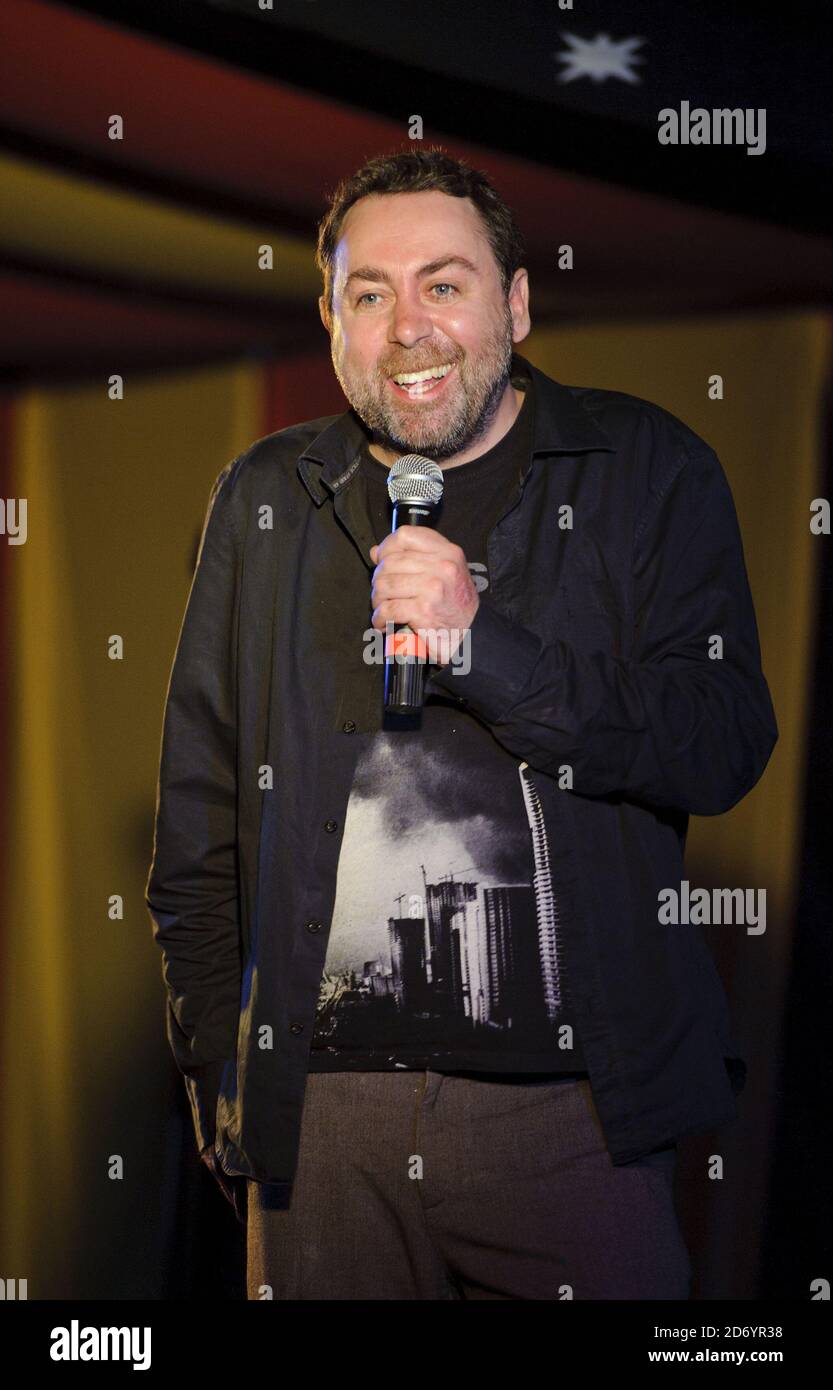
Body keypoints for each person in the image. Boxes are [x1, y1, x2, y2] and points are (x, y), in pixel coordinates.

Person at [146, 147, 778, 1300]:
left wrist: (481, 645)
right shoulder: (264, 498)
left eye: (443, 284)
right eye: (369, 293)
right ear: (330, 317)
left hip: (571, 1115)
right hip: (317, 1123)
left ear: (516, 301)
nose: (407, 328)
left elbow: (721, 737)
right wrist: (217, 1071)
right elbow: (196, 822)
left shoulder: (645, 468)